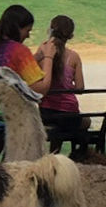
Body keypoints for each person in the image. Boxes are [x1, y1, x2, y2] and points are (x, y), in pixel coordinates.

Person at [35, 14, 90, 155]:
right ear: (71, 36)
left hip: (45, 113)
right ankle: (71, 154)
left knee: (56, 123)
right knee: (86, 121)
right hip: (69, 115)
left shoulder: (42, 51)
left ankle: (54, 154)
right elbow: (80, 87)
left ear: (50, 30)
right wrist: (67, 86)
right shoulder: (74, 57)